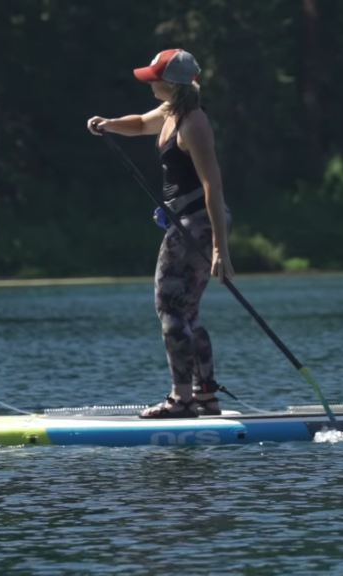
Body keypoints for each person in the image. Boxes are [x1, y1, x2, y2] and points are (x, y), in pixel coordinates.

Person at [87, 49, 234, 419]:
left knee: (169, 307)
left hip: (196, 223)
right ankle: (205, 397)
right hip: (188, 221)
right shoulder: (172, 113)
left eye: (155, 78)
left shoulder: (193, 124)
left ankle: (180, 399)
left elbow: (212, 185)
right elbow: (138, 124)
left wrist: (221, 248)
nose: (150, 83)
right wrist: (108, 124)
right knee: (188, 312)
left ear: (171, 83)